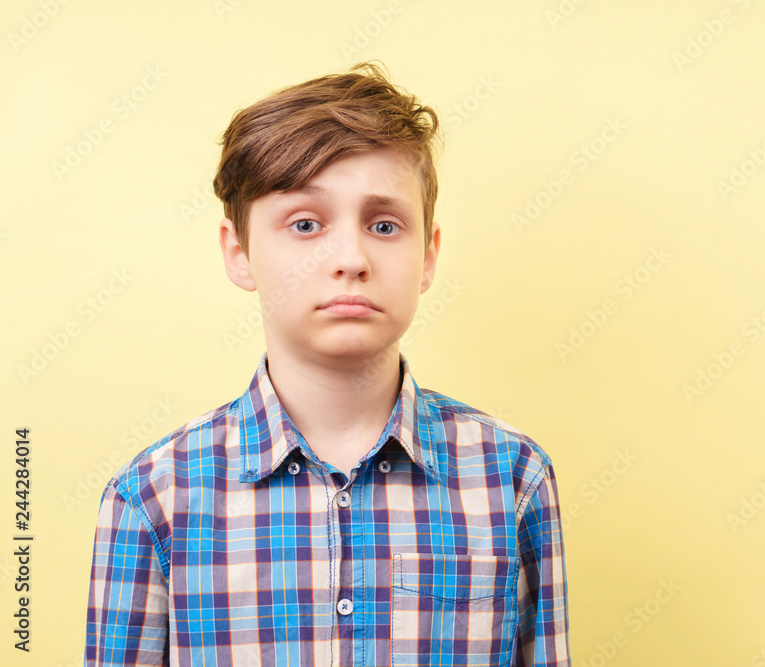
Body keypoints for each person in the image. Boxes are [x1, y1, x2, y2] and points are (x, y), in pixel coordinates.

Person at [84, 61, 571, 666]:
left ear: (427, 255)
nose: (351, 258)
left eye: (385, 225)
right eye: (306, 224)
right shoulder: (152, 497)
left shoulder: (512, 477)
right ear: (239, 252)